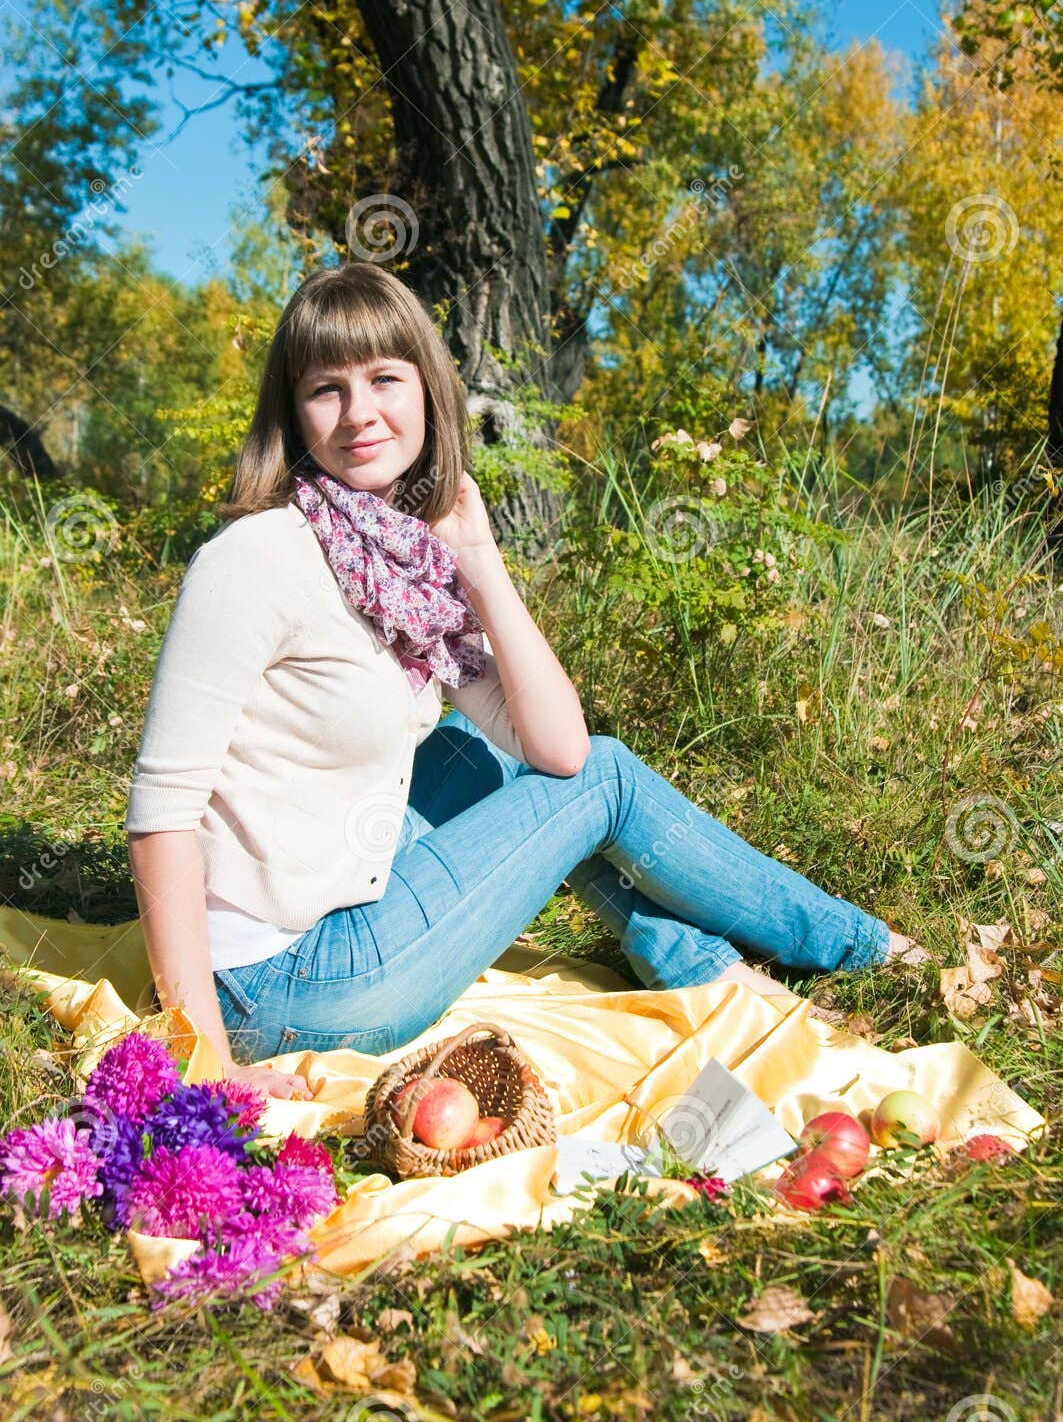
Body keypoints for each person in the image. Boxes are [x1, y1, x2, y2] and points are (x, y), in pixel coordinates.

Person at [125, 262, 929, 1103]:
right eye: (326, 389)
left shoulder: (394, 558)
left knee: (482, 744)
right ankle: (861, 948)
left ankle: (692, 960)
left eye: (384, 379)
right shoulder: (254, 558)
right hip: (286, 984)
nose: (361, 413)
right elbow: (161, 814)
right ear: (293, 414)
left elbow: (555, 748)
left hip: (327, 897)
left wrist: (479, 563)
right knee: (610, 779)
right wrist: (205, 1061)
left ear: (428, 392)